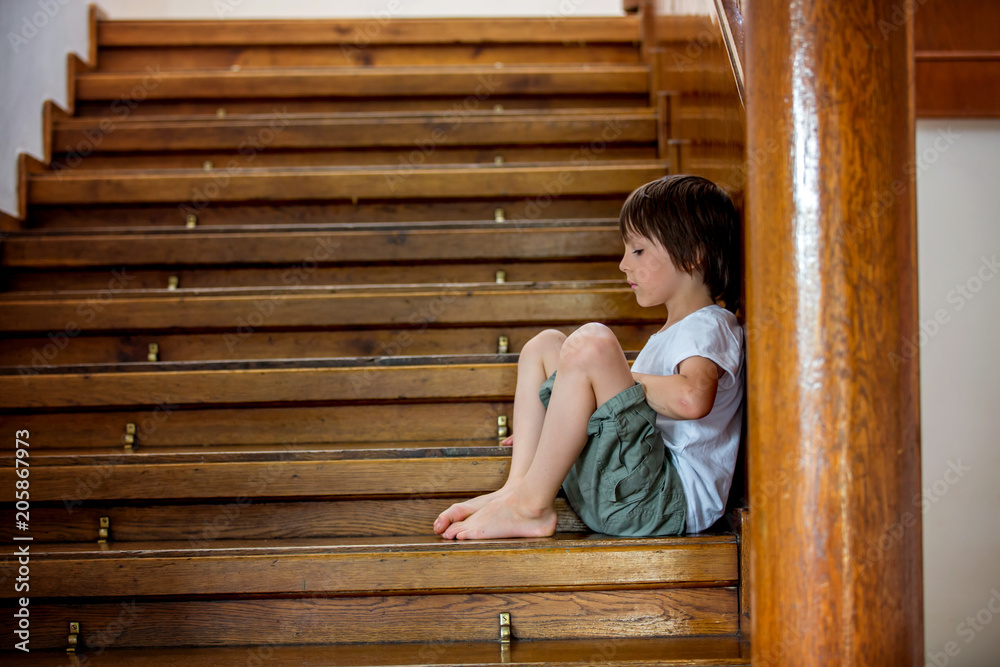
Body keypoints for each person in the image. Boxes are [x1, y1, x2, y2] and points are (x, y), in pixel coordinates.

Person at [434, 174, 744, 540]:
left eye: (638, 250)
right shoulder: (669, 334)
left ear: (694, 255)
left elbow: (690, 399)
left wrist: (607, 377)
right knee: (544, 345)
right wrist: (560, 419)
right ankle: (518, 488)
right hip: (629, 484)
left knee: (592, 344)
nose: (623, 264)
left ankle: (531, 507)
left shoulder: (711, 323)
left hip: (662, 498)